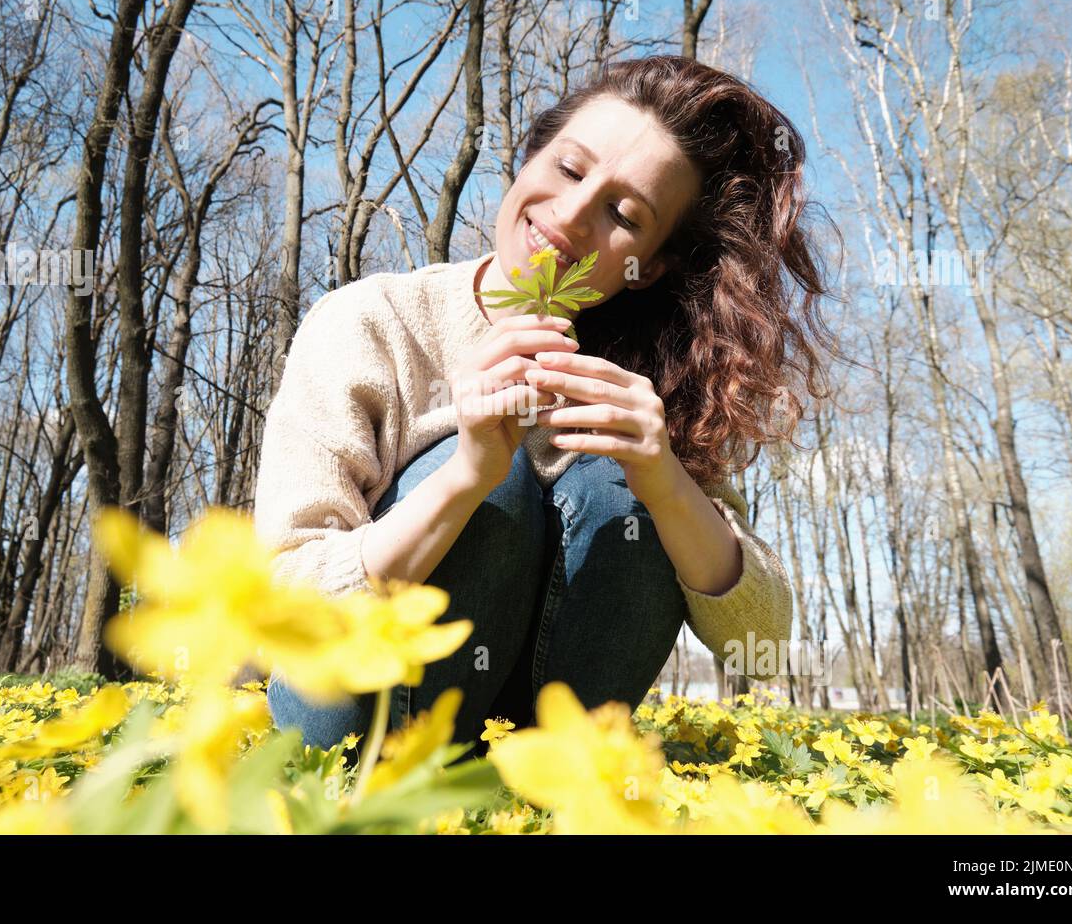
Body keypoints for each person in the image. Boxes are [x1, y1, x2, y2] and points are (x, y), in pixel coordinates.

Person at [256, 55, 837, 759]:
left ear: (649, 264)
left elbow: (763, 641)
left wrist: (664, 481)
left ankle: (540, 783)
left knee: (628, 483)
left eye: (624, 214)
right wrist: (465, 476)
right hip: (351, 725)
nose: (569, 217)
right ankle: (407, 779)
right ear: (531, 155)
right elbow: (283, 603)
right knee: (491, 476)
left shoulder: (645, 390)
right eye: (568, 169)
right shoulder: (373, 321)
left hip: (530, 758)